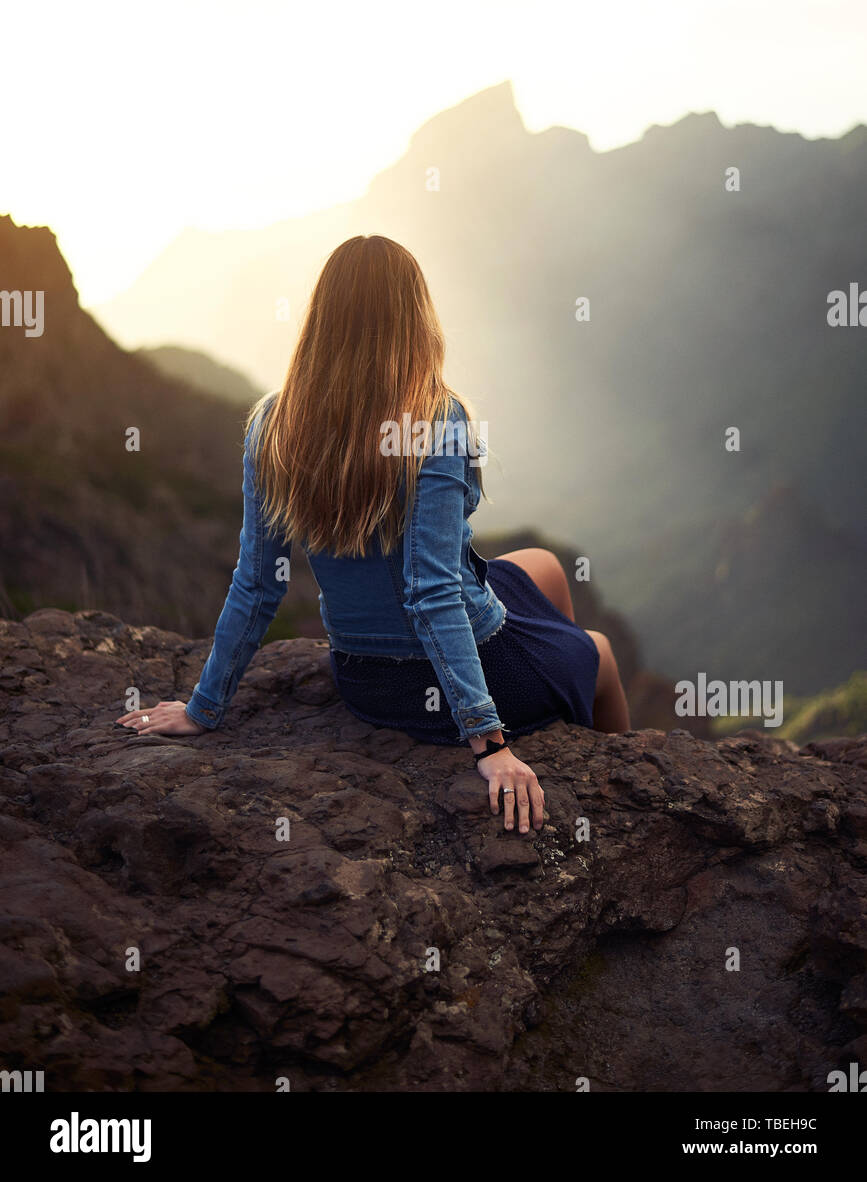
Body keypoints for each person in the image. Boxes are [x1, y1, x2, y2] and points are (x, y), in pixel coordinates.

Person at [117, 234, 630, 834]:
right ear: (415, 318)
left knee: (543, 564)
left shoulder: (273, 425)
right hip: (434, 679)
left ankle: (554, 699)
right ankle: (614, 802)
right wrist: (489, 746)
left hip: (364, 678)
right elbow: (432, 591)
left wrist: (204, 710)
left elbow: (256, 584)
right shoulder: (437, 419)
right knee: (600, 653)